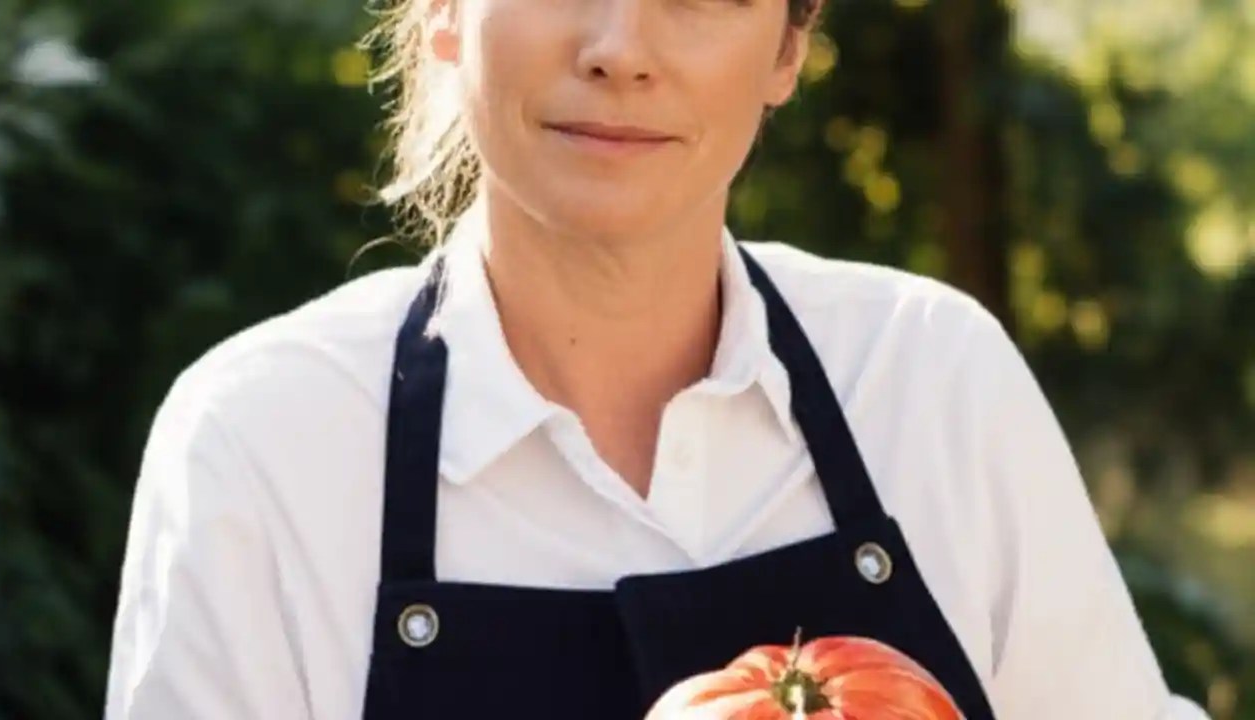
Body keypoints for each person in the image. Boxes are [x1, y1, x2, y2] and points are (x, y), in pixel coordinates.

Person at [102, 0, 1212, 718]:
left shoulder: (929, 380)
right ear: (441, 11)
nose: (620, 50)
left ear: (788, 47)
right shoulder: (263, 445)